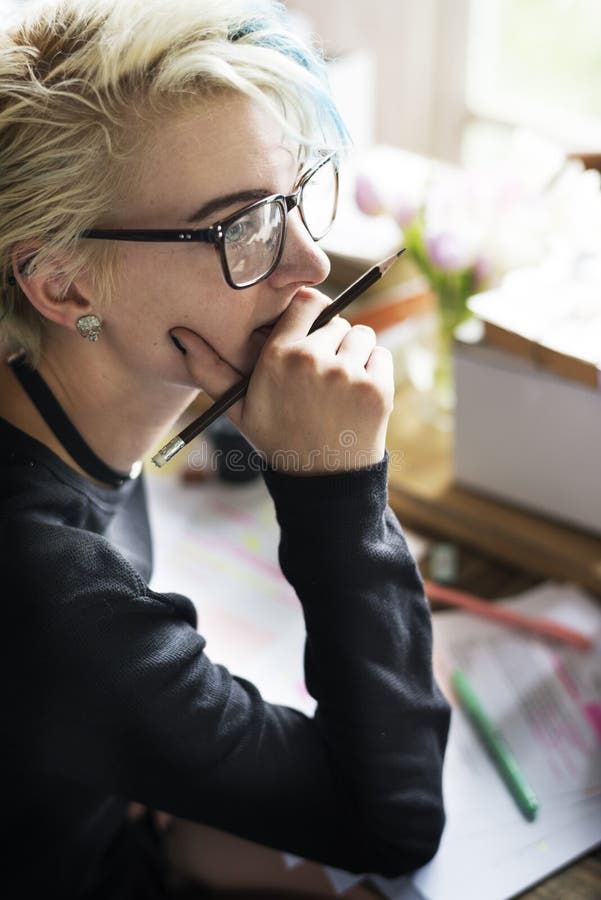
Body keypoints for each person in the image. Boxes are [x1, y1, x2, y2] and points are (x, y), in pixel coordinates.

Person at [0, 1, 450, 897]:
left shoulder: (58, 411)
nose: (310, 263)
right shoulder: (47, 587)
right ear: (60, 280)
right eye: (238, 225)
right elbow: (392, 820)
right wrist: (338, 487)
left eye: (292, 197)